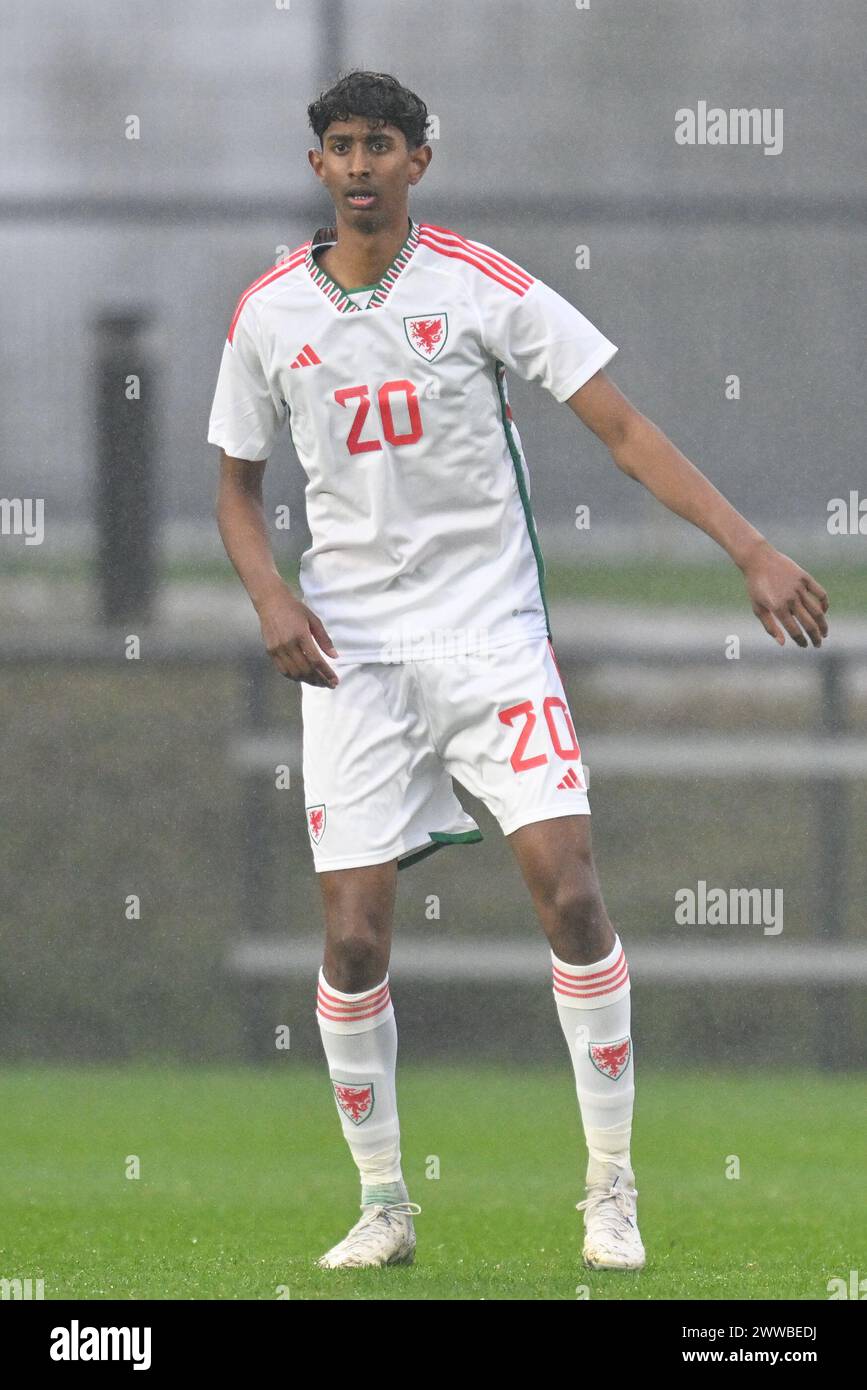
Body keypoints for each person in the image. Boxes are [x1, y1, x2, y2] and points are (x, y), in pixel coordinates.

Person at [208, 70, 829, 1273]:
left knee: (572, 893)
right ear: (319, 165)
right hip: (354, 658)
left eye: (382, 145)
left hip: (492, 638)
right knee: (352, 942)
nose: (361, 166)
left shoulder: (477, 284)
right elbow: (236, 488)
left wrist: (749, 549)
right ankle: (384, 1204)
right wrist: (272, 597)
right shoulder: (269, 314)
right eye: (341, 146)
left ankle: (611, 1188)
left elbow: (624, 429)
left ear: (419, 161)